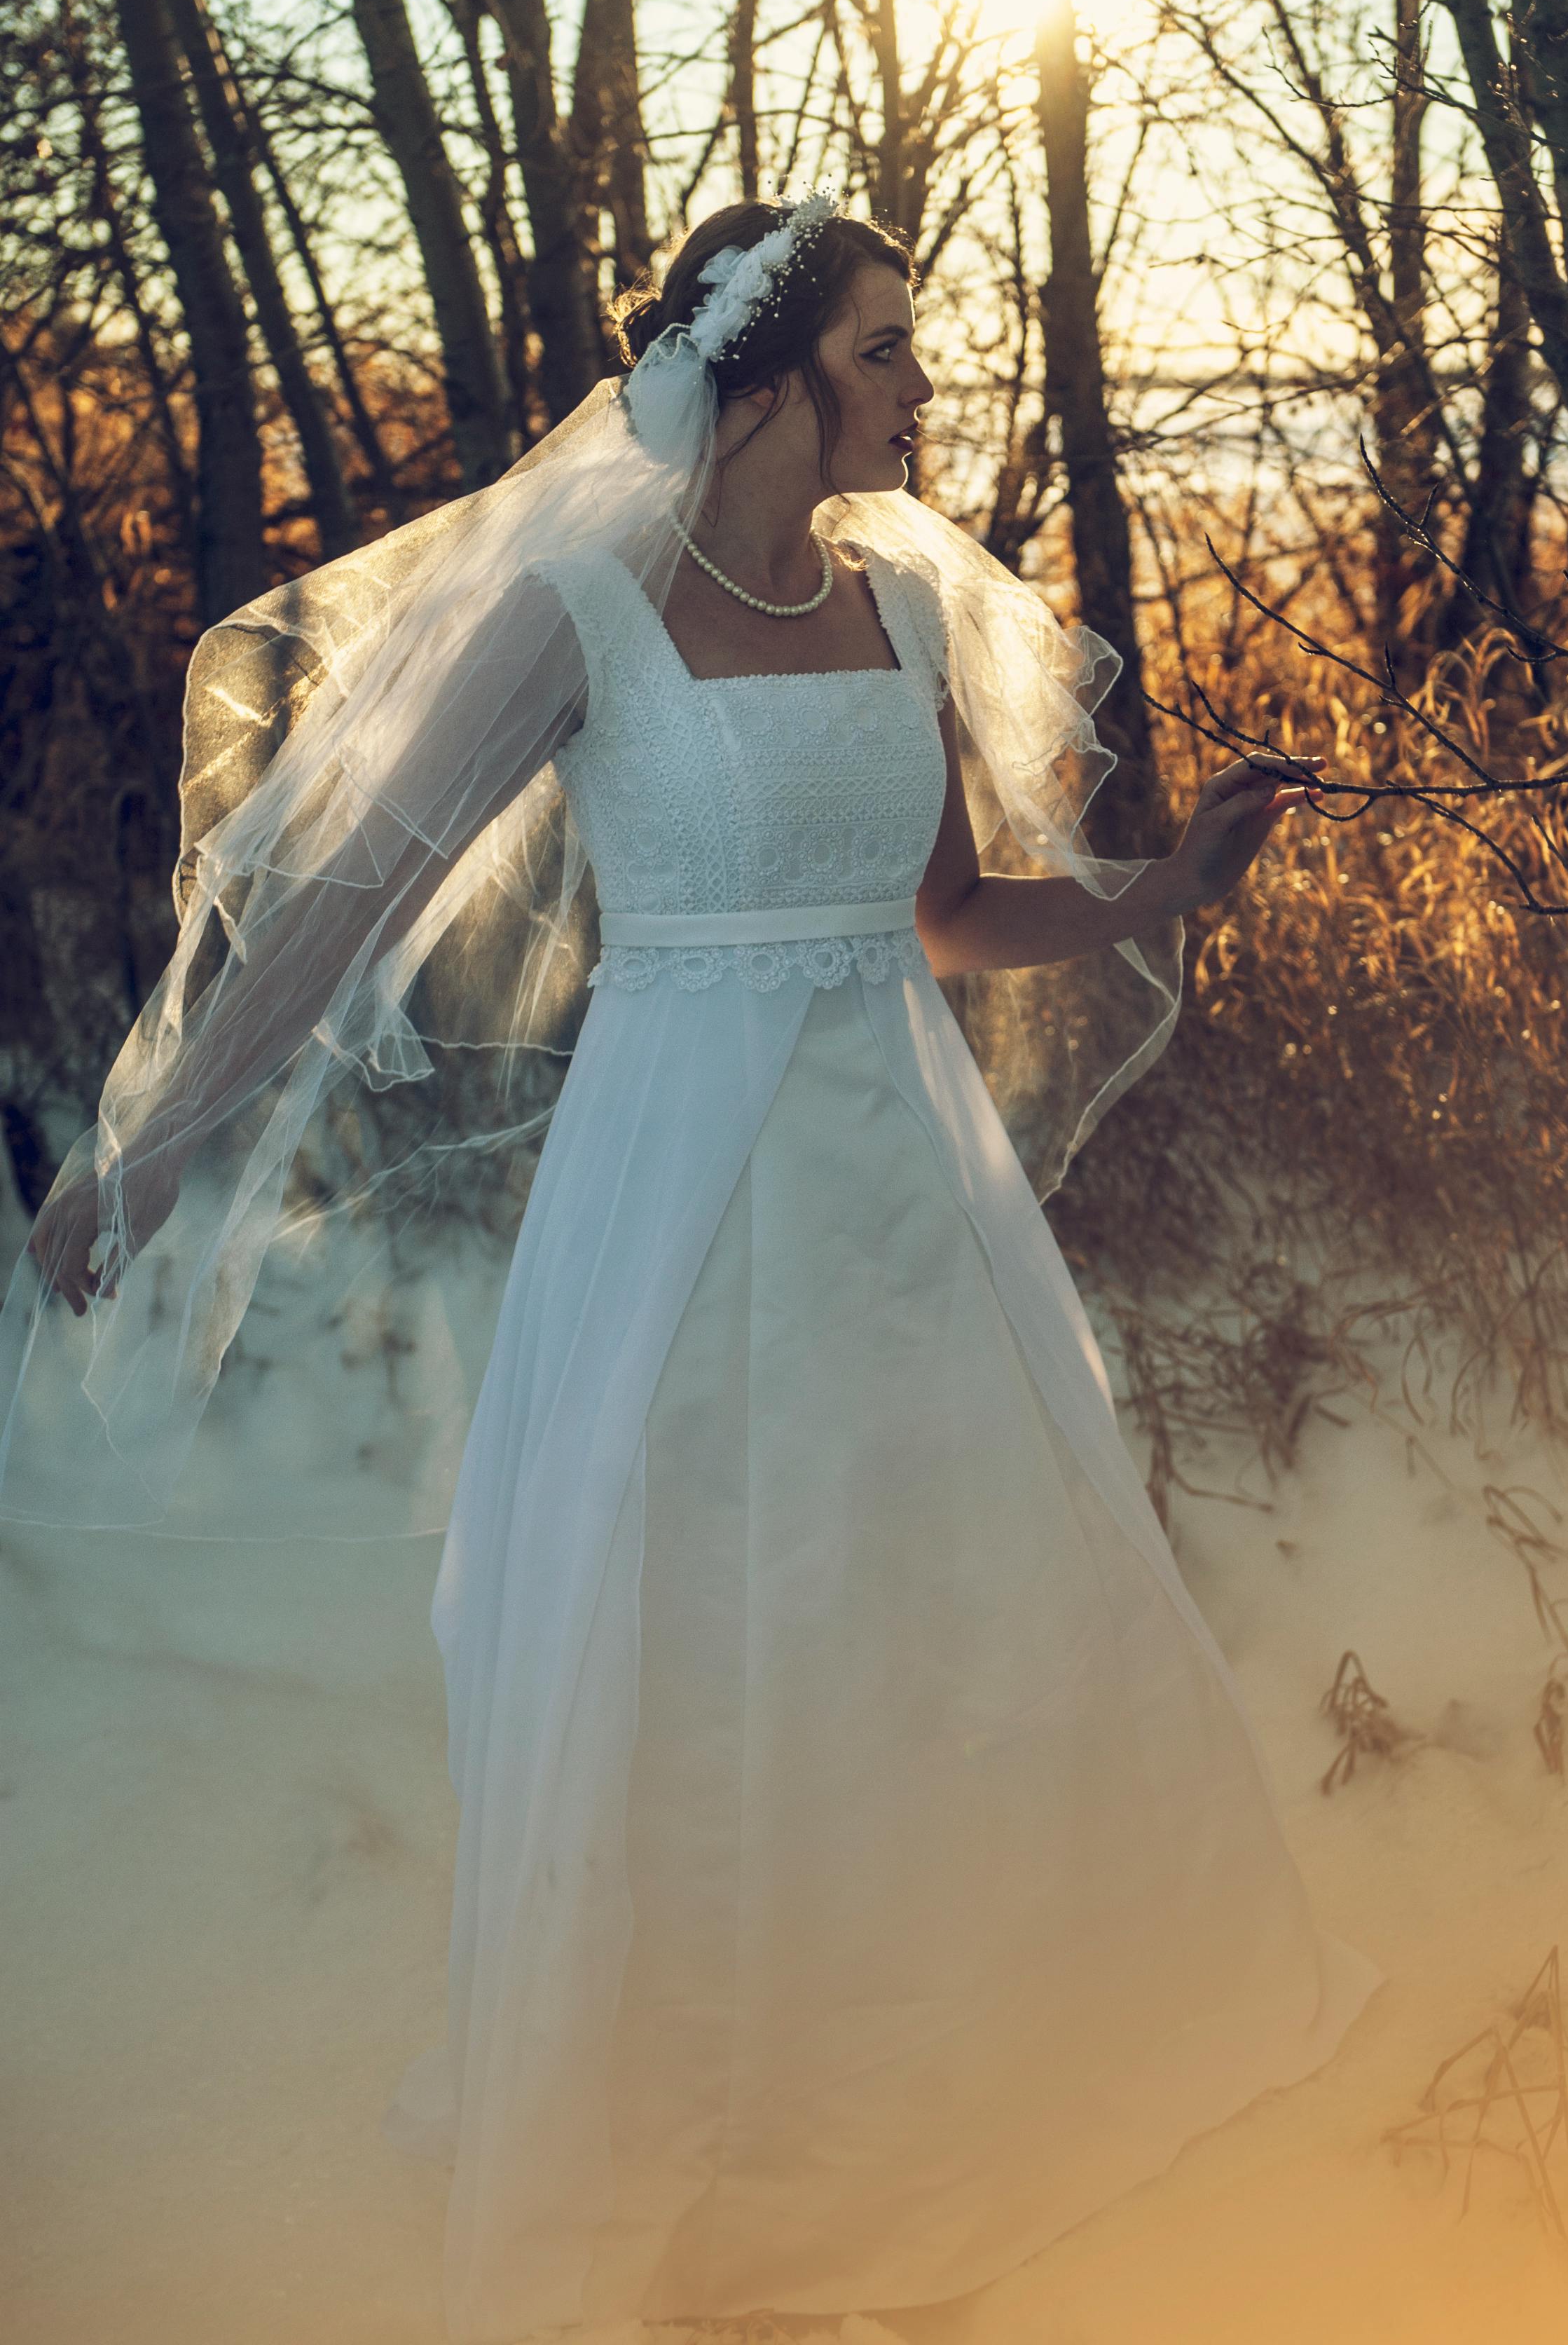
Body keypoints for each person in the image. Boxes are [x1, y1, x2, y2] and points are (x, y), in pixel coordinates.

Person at [8, 196, 1377, 2342]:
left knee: (926, 1623)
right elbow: (350, 892)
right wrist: (151, 1142)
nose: (929, 383)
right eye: (888, 347)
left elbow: (946, 918)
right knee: (704, 1637)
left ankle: (927, 2084)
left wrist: (1158, 884)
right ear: (769, 376)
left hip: (905, 1204)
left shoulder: (903, 605)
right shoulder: (580, 603)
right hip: (680, 1189)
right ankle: (699, 2132)